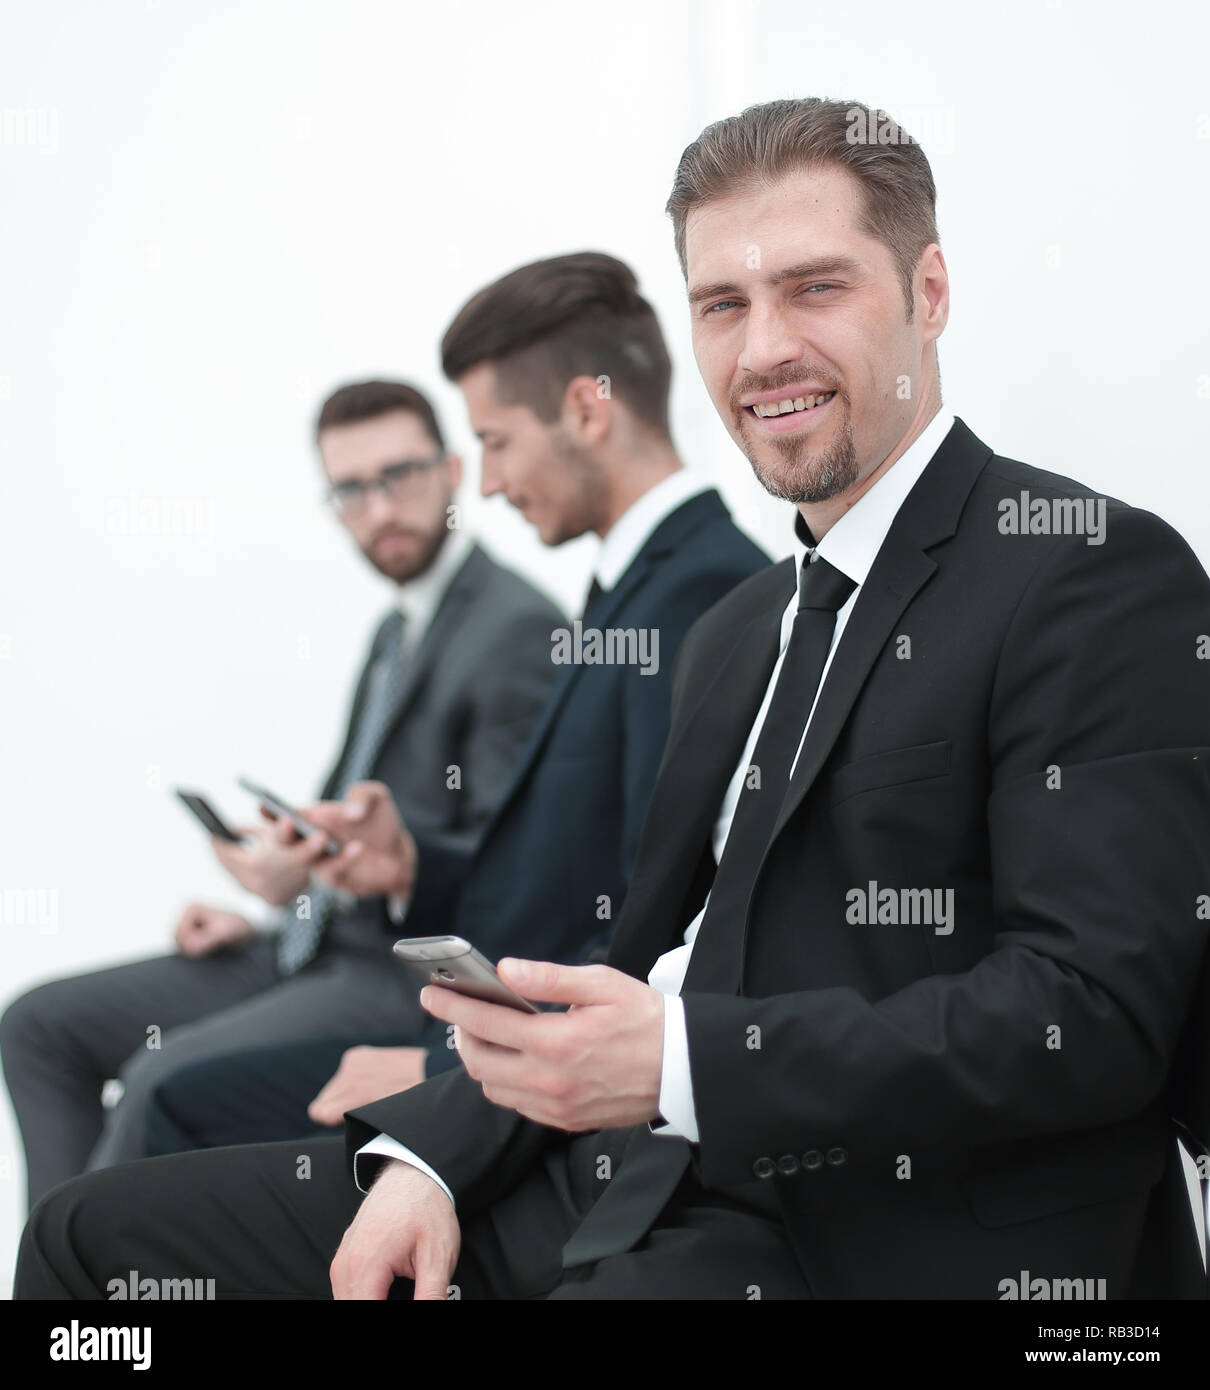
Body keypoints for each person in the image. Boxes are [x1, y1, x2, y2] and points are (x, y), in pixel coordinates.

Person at [16, 96, 1210, 1301]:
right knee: (86, 1242)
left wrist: (688, 1067)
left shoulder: (1088, 571)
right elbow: (639, 960)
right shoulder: (741, 631)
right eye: (722, 305)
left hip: (862, 1225)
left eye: (815, 288)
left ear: (930, 293)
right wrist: (433, 1160)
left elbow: (1092, 1012)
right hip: (614, 1175)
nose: (762, 352)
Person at [135, 250, 770, 1156]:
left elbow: (651, 919)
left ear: (587, 411)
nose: (488, 483)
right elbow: (572, 863)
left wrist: (441, 1071)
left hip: (530, 1070)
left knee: (164, 1117)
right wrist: (406, 867)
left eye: (496, 443)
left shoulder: (697, 596)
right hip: (491, 1026)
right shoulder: (637, 586)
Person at [1, 379, 562, 1208]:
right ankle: (58, 1278)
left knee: (162, 1076)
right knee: (41, 1025)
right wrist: (288, 894)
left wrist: (372, 882)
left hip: (390, 974)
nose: (379, 508)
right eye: (351, 490)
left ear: (451, 471)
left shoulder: (511, 628)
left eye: (399, 475)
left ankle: (87, 1298)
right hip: (310, 945)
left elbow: (520, 873)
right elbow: (354, 834)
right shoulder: (398, 627)